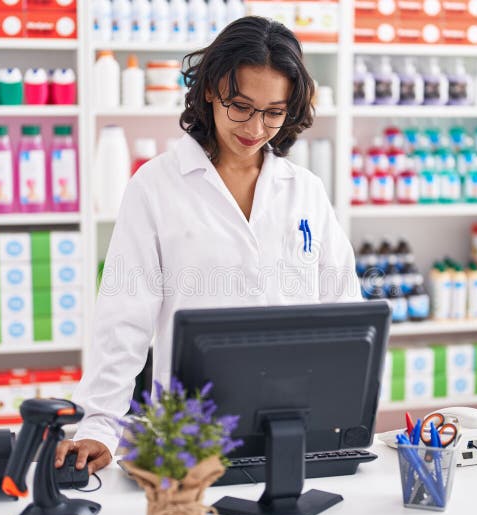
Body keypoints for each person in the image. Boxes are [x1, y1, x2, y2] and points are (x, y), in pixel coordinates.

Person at [56, 16, 361, 474]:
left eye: (274, 112)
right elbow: (124, 319)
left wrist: (346, 419)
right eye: (240, 106)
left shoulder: (306, 190)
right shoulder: (156, 186)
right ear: (209, 93)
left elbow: (345, 315)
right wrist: (99, 426)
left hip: (295, 428)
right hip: (188, 436)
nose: (256, 127)